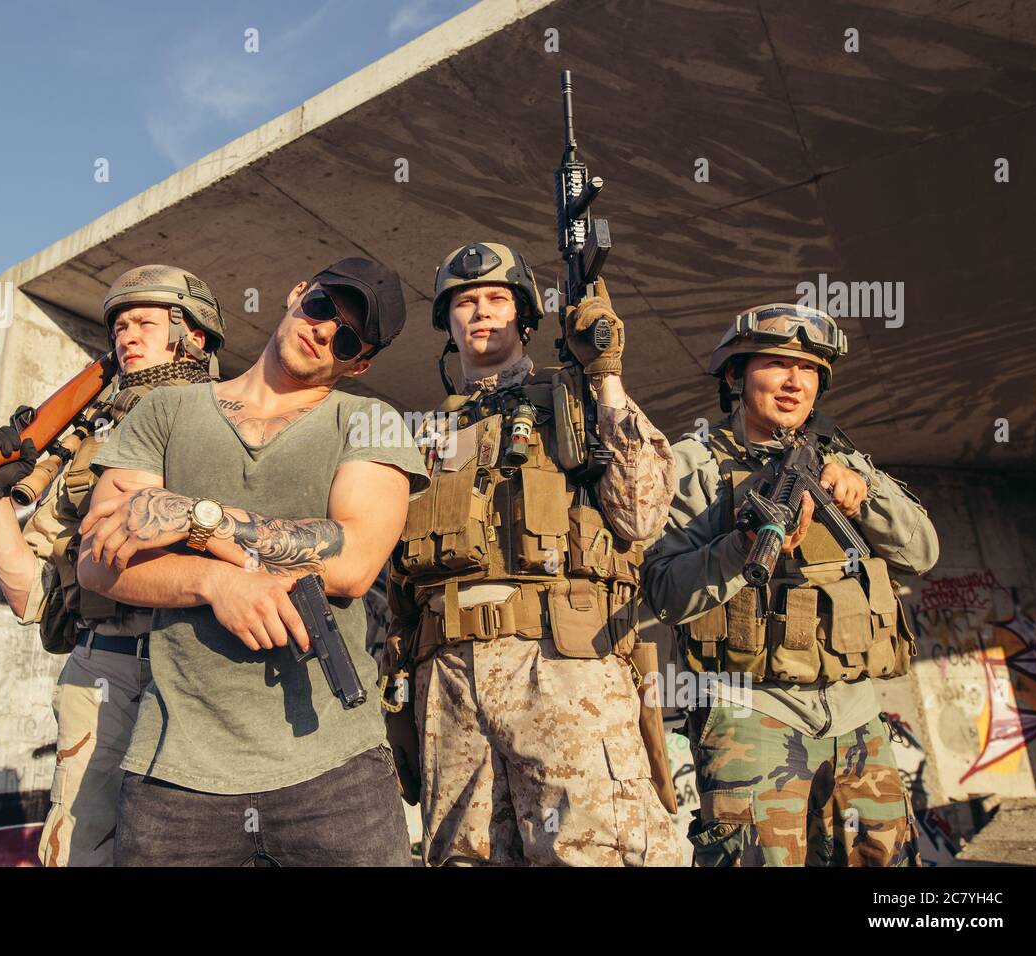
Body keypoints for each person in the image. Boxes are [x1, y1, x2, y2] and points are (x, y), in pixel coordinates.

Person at [77, 257, 429, 866]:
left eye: (346, 336)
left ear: (360, 363)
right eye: (322, 307)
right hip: (175, 773)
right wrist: (213, 580)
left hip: (336, 770)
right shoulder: (165, 412)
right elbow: (98, 561)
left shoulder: (367, 420)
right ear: (298, 291)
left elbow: (350, 561)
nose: (322, 330)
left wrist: (199, 519)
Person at [382, 241, 681, 866]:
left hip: (564, 669)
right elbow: (399, 588)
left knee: (592, 851)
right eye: (465, 302)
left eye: (496, 298)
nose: (481, 312)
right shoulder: (423, 437)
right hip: (450, 684)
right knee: (465, 857)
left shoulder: (574, 406)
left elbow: (642, 512)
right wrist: (401, 693)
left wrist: (604, 377)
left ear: (524, 315)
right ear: (447, 322)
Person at [643, 303, 939, 867]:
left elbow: (922, 552)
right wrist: (739, 543)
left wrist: (866, 489)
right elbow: (663, 593)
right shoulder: (693, 466)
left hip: (856, 715)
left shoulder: (845, 460)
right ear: (734, 375)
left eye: (808, 369)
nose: (794, 382)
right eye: (776, 364)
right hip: (751, 713)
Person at [0, 264, 225, 866]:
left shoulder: (232, 419)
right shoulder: (95, 439)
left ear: (192, 335)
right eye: (118, 327)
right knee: (77, 851)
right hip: (102, 666)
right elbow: (30, 596)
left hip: (205, 666)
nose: (125, 337)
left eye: (144, 322)